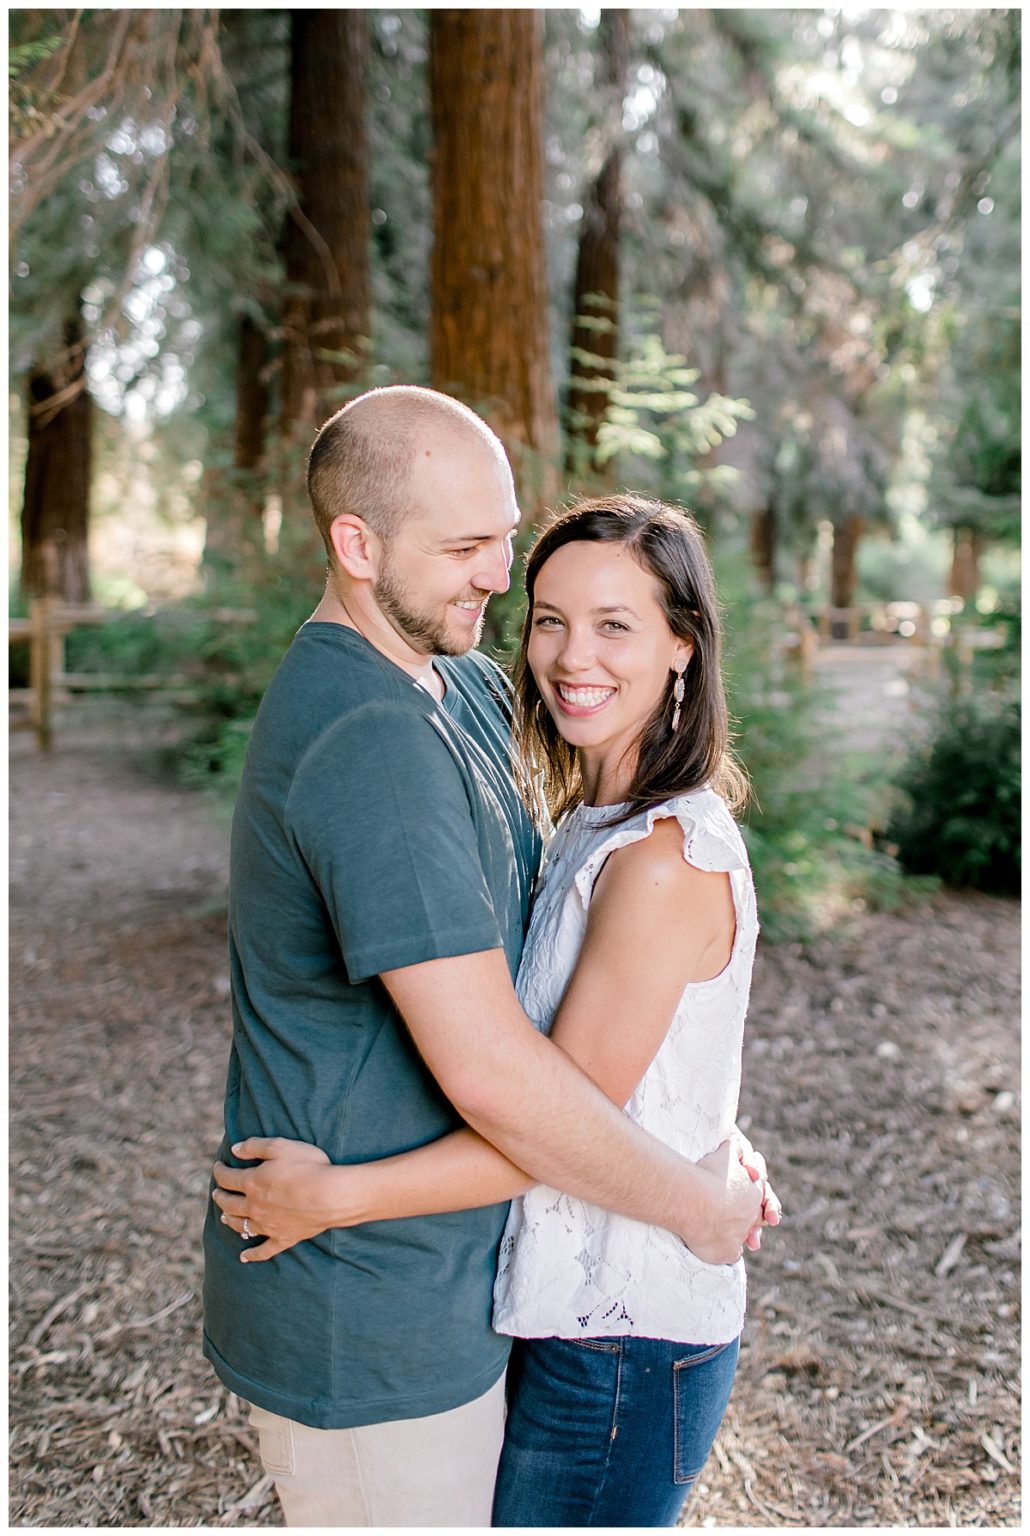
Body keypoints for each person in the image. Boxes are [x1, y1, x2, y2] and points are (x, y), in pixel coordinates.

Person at [212, 479, 778, 1527]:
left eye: (617, 625)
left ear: (683, 644)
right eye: (551, 620)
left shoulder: (660, 859)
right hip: (561, 1314)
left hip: (619, 1338)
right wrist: (703, 1125)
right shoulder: (591, 822)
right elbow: (619, 1066)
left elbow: (551, 1122)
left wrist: (337, 1197)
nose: (572, 657)